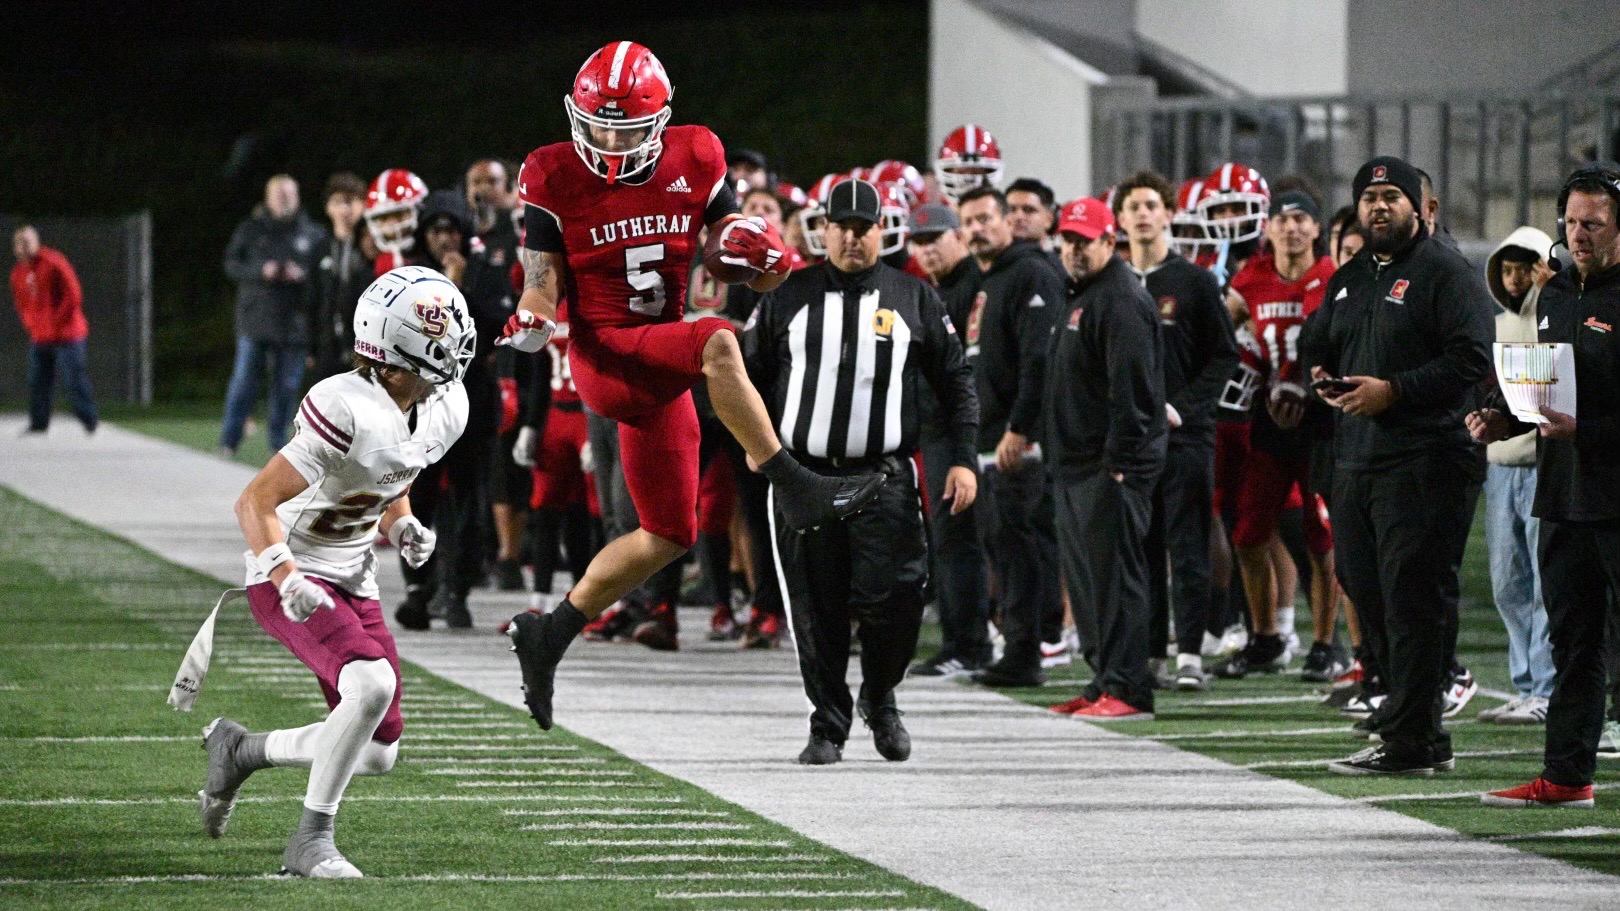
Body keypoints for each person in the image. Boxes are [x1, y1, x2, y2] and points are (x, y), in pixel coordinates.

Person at [499, 42, 884, 731]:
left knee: (668, 533)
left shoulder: (697, 155)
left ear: (660, 122)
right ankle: (793, 481)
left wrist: (766, 257)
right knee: (718, 341)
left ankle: (549, 632)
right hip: (606, 354)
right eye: (598, 127)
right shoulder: (552, 173)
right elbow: (541, 279)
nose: (609, 143)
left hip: (659, 359)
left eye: (624, 129)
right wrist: (533, 318)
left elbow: (739, 255)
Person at [197, 265, 474, 877]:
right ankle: (310, 841)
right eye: (438, 330)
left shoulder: (439, 405)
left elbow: (387, 477)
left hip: (352, 575)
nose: (454, 339)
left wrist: (401, 525)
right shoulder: (345, 406)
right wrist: (284, 575)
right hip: (293, 573)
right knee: (371, 686)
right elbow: (254, 501)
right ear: (398, 353)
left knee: (377, 751)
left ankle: (241, 751)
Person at [744, 178, 978, 764]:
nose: (852, 238)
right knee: (814, 606)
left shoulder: (914, 297)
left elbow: (956, 381)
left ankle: (880, 695)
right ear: (823, 230)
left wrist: (964, 459)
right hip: (803, 475)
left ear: (882, 231)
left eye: (863, 228)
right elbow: (741, 374)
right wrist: (755, 441)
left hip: (884, 476)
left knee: (898, 598)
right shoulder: (787, 296)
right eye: (841, 227)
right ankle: (827, 725)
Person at [1301, 156, 1493, 776]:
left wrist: (1395, 392)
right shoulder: (1352, 275)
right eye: (1369, 197)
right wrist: (1318, 372)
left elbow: (1473, 359)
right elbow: (1318, 339)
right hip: (1357, 458)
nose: (1378, 206)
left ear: (1420, 208)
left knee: (1413, 595)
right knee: (1363, 584)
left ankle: (1413, 738)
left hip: (1427, 458)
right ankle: (1410, 726)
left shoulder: (1446, 272)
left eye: (1391, 196)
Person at [1473, 163, 1620, 806]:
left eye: (1594, 223)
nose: (1578, 234)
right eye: (1571, 222)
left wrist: (1587, 429)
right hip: (1562, 495)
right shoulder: (1554, 295)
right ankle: (1566, 775)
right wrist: (1501, 417)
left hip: (1615, 497)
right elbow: (1543, 391)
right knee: (1572, 641)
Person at [1112, 171, 1239, 691]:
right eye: (1133, 206)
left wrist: (1181, 409)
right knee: (1139, 548)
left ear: (1168, 214)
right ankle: (1150, 656)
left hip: (1186, 437)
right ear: (1120, 219)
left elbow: (1224, 355)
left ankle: (1189, 654)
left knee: (1187, 546)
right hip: (1131, 441)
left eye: (1151, 205)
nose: (1142, 214)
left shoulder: (1195, 281)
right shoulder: (1113, 282)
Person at [1045, 197, 1168, 721]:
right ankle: (1103, 681)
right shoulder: (1084, 294)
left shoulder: (1119, 299)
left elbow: (1133, 388)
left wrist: (1121, 459)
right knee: (1090, 581)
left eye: (1084, 241)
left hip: (1108, 465)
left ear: (1109, 242)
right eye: (1067, 240)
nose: (1074, 250)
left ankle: (1129, 688)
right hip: (1078, 464)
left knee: (1117, 578)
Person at [1218, 190, 1341, 680]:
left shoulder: (1333, 277)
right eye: (1282, 220)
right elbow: (1219, 331)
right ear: (1268, 229)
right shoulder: (1252, 278)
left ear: (1316, 229)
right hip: (1270, 422)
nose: (1291, 228)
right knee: (1249, 533)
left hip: (1322, 421)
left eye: (1301, 219)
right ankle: (1265, 637)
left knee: (1322, 537)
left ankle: (1326, 644)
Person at [955, 185, 1066, 689]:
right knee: (1003, 546)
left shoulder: (1030, 272)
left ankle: (1028, 650)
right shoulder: (989, 277)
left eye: (986, 218)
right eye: (969, 221)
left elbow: (1039, 359)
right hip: (991, 435)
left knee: (1021, 548)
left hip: (1017, 440)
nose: (977, 228)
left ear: (1007, 222)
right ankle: (1021, 643)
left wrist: (1021, 427)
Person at [391, 191, 512, 630]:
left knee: (467, 499)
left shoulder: (485, 270)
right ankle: (418, 589)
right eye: (435, 230)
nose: (443, 238)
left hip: (469, 400)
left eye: (450, 229)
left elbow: (497, 327)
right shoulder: (408, 276)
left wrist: (457, 289)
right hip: (420, 403)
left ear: (463, 232)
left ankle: (457, 590)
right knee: (415, 497)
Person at [905, 202, 992, 677]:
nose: (927, 249)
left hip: (959, 432)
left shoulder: (973, 286)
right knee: (950, 540)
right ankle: (965, 639)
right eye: (919, 242)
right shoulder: (936, 290)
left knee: (961, 539)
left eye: (935, 238)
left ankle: (971, 643)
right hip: (936, 431)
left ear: (958, 237)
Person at [1475, 225, 1557, 726]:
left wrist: (1553, 293)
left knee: (1545, 584)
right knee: (1507, 582)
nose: (1514, 279)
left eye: (1524, 268)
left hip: (1543, 465)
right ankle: (1524, 683)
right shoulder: (1496, 325)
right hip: (1501, 467)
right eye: (1506, 270)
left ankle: (1546, 688)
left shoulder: (1557, 318)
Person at [219, 175, 327, 455]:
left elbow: (323, 274)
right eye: (279, 195)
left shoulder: (313, 233)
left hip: (295, 322)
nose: (284, 200)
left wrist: (301, 275)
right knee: (243, 382)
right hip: (255, 319)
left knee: (287, 387)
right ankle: (229, 441)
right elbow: (231, 264)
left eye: (288, 194)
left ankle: (278, 445)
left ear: (298, 197)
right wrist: (261, 271)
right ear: (268, 198)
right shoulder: (251, 229)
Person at [10, 224, 97, 435]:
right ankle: (39, 423)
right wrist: (31, 324)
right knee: (38, 380)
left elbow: (73, 294)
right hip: (41, 336)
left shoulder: (53, 261)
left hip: (68, 334)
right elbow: (22, 303)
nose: (25, 247)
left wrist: (57, 321)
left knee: (73, 377)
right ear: (15, 248)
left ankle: (89, 419)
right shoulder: (18, 273)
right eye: (21, 243)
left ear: (36, 243)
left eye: (28, 242)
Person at [308, 173, 374, 380]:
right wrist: (311, 348)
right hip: (327, 346)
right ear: (328, 208)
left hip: (363, 345)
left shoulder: (371, 249)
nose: (344, 210)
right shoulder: (320, 249)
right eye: (337, 202)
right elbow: (311, 299)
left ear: (363, 205)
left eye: (350, 202)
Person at [465, 158, 520, 269]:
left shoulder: (518, 227)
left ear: (508, 187)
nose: (483, 188)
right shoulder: (462, 229)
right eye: (476, 182)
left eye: (491, 181)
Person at [933, 124, 1004, 203]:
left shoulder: (1007, 209)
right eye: (962, 171)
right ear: (948, 170)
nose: (968, 177)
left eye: (976, 171)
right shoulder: (932, 210)